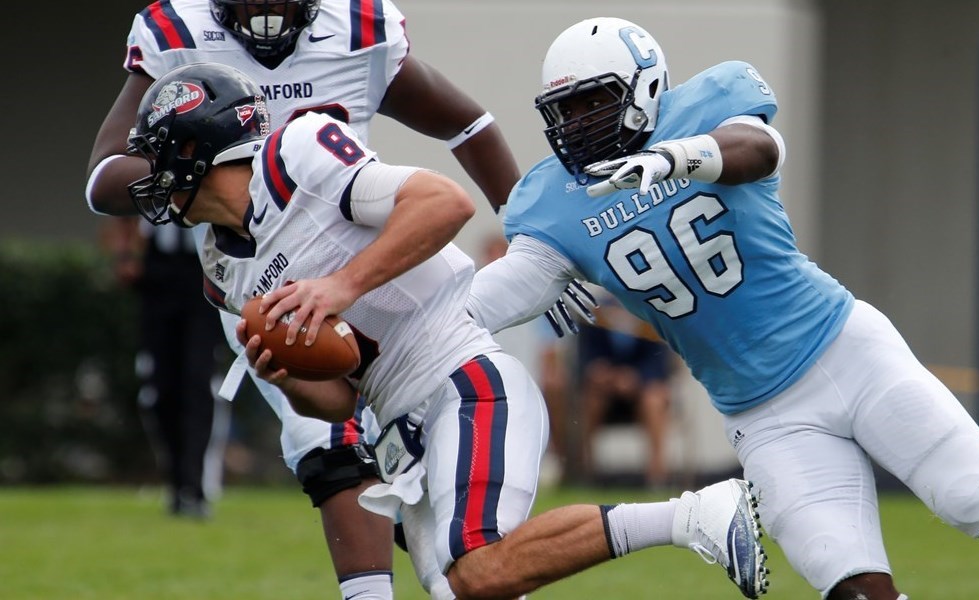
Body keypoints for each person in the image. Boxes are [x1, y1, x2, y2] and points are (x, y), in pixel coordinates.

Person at [462, 16, 979, 600]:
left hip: (844, 350)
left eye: (592, 101)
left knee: (978, 500)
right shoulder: (556, 200)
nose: (577, 122)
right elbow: (491, 297)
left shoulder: (708, 110)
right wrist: (409, 331)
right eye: (563, 109)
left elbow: (759, 148)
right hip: (762, 414)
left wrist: (674, 158)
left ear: (645, 88)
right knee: (851, 585)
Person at [120, 62, 769, 600]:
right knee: (467, 589)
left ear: (193, 147)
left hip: (463, 372)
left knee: (480, 569)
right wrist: (285, 376)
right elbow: (341, 396)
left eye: (156, 156)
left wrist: (340, 286)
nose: (145, 178)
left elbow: (443, 202)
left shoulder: (297, 152)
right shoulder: (217, 266)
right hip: (398, 421)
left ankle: (694, 515)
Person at [83, 1, 577, 597]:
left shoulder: (337, 71)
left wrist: (532, 239)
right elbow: (106, 177)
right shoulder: (180, 35)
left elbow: (463, 133)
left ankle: (676, 520)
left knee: (444, 405)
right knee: (333, 445)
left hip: (361, 249)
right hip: (261, 266)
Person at [100, 216, 230, 519]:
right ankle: (176, 483)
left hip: (203, 270)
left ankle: (195, 488)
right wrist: (124, 255)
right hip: (157, 273)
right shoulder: (144, 167)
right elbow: (120, 208)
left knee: (198, 383)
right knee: (160, 389)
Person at [578, 292, 674, 488]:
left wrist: (635, 377)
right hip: (605, 392)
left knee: (655, 398)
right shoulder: (595, 312)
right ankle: (586, 472)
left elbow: (659, 361)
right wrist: (605, 374)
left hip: (642, 391)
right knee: (590, 397)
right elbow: (586, 359)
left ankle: (656, 475)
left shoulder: (651, 311)